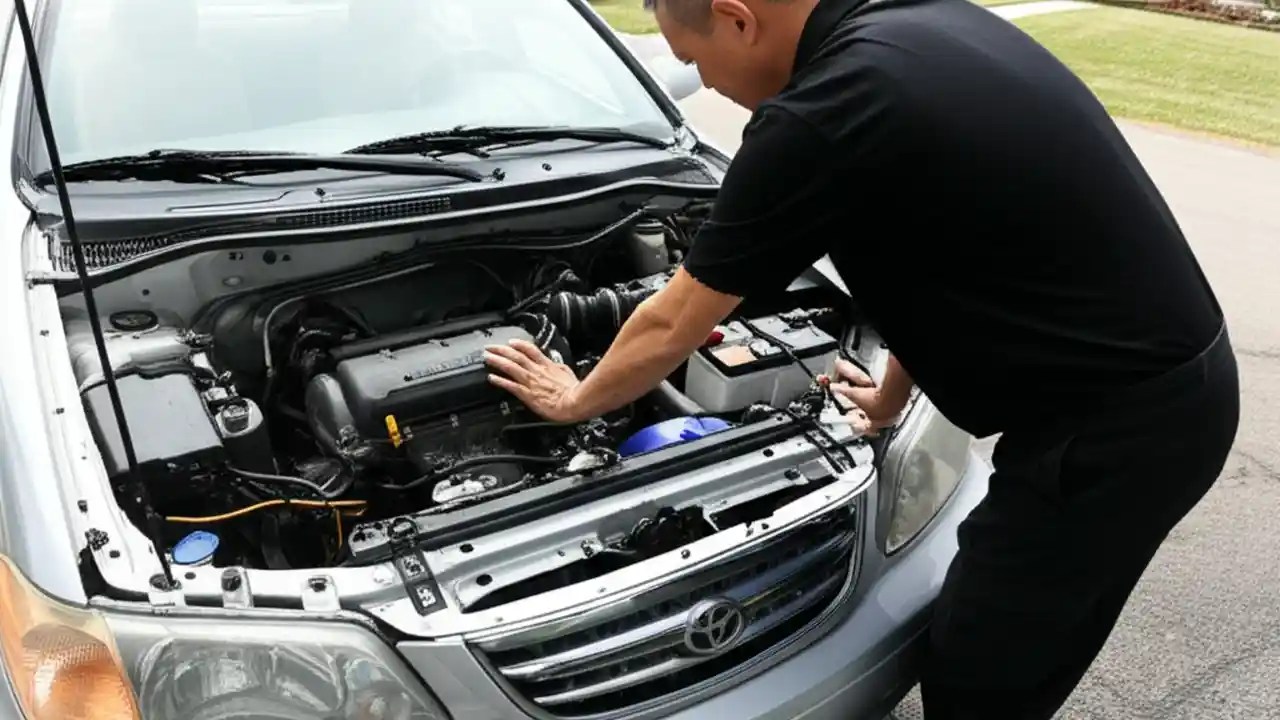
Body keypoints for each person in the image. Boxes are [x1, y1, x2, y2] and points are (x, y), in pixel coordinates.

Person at [483, 0, 1240, 716]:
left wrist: (576, 399)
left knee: (985, 662)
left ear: (737, 19)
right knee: (1017, 626)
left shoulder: (824, 113)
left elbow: (674, 321)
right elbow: (925, 262)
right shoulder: (910, 24)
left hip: (1124, 430)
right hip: (1158, 385)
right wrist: (888, 397)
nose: (704, 83)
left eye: (693, 58)